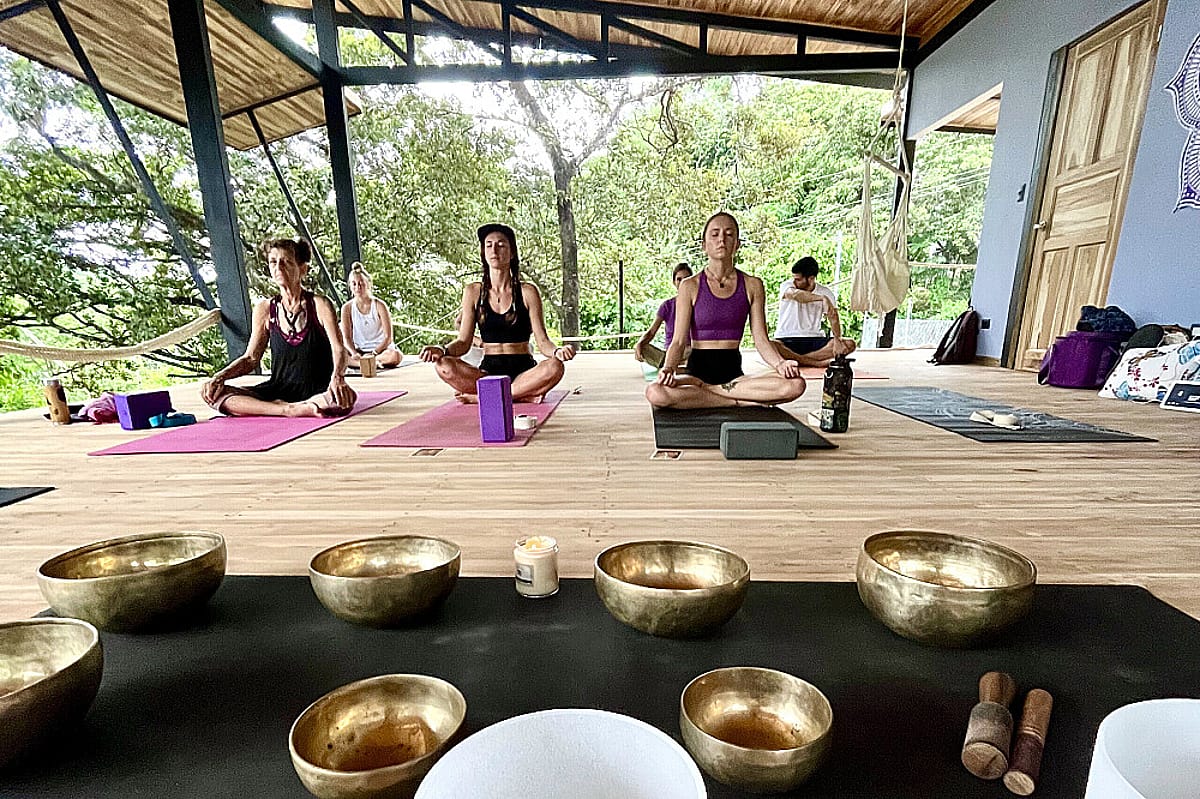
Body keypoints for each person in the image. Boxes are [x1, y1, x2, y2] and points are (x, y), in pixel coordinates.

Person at [645, 212, 807, 409]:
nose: (721, 239)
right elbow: (678, 341)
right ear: (704, 245)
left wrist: (781, 364)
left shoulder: (752, 285)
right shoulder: (690, 286)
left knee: (795, 385)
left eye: (729, 234)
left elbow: (761, 340)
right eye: (714, 234)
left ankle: (714, 394)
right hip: (696, 376)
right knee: (655, 392)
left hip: (735, 380)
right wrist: (669, 368)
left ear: (737, 244)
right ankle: (736, 402)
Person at [201, 238, 356, 417]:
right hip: (278, 390)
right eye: (273, 262)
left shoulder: (319, 305)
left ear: (302, 269)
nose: (278, 267)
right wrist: (220, 377)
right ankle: (287, 410)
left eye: (286, 262)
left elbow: (339, 349)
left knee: (343, 399)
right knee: (217, 396)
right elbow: (251, 358)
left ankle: (294, 407)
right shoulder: (265, 309)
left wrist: (338, 377)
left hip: (319, 390)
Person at [419, 224, 575, 402]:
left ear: (512, 253)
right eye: (489, 244)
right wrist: (441, 350)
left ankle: (482, 397)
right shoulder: (473, 292)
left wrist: (558, 352)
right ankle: (519, 395)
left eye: (501, 245)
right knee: (443, 366)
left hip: (524, 372)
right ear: (483, 252)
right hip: (487, 374)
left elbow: (543, 341)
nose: (494, 249)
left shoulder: (527, 292)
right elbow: (463, 343)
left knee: (555, 367)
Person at [773, 256, 857, 367]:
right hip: (786, 338)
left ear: (811, 279)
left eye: (798, 279)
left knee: (849, 344)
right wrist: (821, 299)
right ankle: (815, 363)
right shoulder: (787, 286)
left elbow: (833, 317)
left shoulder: (826, 292)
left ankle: (798, 360)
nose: (794, 281)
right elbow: (796, 295)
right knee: (771, 345)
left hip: (814, 339)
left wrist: (837, 340)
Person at [339, 262, 402, 370]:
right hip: (359, 352)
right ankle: (364, 364)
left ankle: (370, 362)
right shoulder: (347, 308)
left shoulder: (379, 305)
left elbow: (388, 337)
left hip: (380, 352)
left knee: (395, 355)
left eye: (361, 283)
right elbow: (347, 337)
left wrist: (374, 353)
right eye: (354, 284)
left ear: (368, 284)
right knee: (337, 353)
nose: (357, 287)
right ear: (350, 286)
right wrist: (354, 353)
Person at [634, 263, 693, 370]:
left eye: (687, 279)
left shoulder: (698, 305)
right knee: (643, 348)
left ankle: (677, 366)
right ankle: (676, 365)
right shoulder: (667, 306)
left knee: (700, 353)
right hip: (669, 354)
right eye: (679, 279)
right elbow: (652, 331)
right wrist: (639, 343)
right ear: (674, 282)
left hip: (691, 351)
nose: (683, 282)